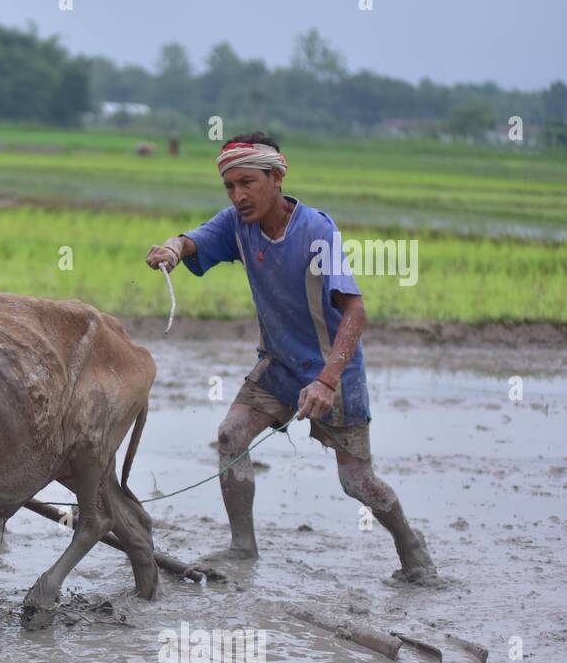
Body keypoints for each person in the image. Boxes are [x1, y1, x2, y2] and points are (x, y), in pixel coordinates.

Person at [145, 132, 436, 582]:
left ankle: (412, 550)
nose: (239, 195)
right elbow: (192, 239)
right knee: (231, 435)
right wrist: (171, 249)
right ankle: (243, 546)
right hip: (278, 366)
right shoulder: (237, 225)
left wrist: (327, 380)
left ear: (276, 177)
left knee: (356, 482)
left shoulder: (316, 230)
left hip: (330, 371)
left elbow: (355, 310)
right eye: (230, 186)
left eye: (248, 183)